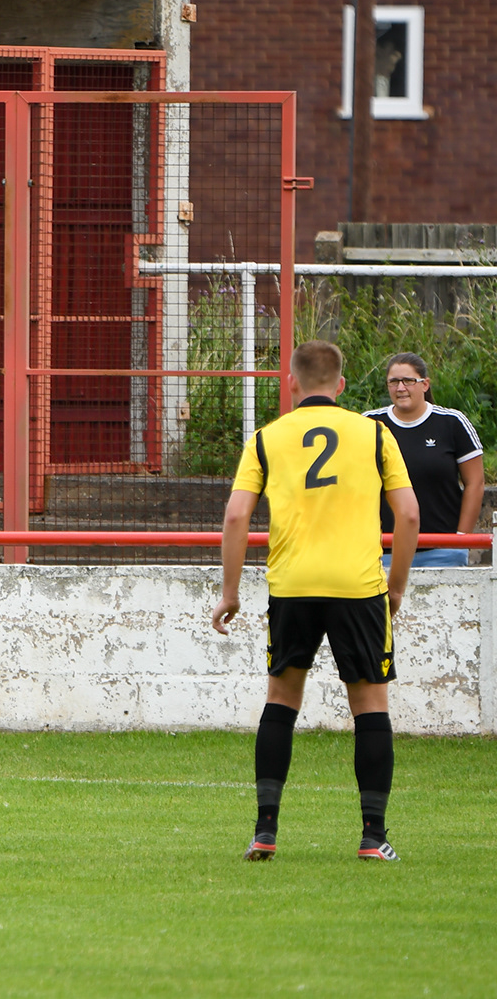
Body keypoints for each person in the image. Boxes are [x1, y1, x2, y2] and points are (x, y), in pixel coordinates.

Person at [210, 340, 418, 865]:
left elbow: (236, 518)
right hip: (358, 586)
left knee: (281, 700)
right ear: (342, 385)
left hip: (293, 586)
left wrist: (230, 591)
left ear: (293, 384)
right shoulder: (374, 433)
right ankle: (373, 837)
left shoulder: (266, 438)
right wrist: (394, 587)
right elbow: (409, 515)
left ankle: (265, 831)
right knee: (369, 705)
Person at [364, 352, 485, 568]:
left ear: (425, 384)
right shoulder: (369, 423)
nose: (400, 388)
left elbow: (475, 483)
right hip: (382, 552)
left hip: (443, 552)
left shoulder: (452, 422)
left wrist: (460, 540)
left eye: (408, 381)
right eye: (394, 382)